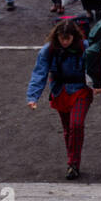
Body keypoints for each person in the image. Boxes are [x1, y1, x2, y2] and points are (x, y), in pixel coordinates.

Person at [27, 19, 93, 180]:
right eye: (61, 38)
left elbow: (94, 67)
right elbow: (39, 73)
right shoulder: (48, 50)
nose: (64, 42)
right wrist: (33, 96)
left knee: (76, 125)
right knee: (68, 129)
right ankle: (73, 164)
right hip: (60, 91)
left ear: (73, 37)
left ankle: (73, 163)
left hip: (80, 90)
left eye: (67, 38)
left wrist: (98, 85)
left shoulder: (84, 47)